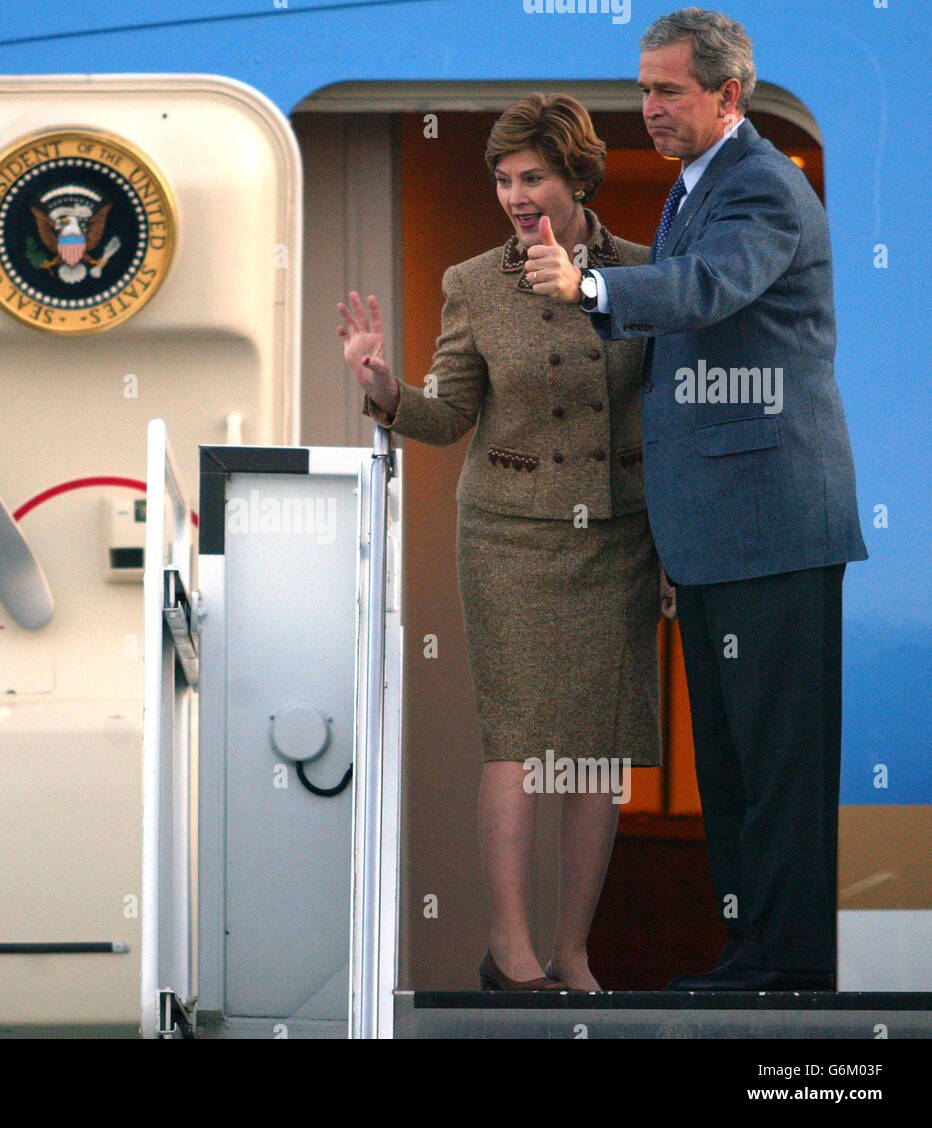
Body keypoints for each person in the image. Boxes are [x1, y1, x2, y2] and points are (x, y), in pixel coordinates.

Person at [527, 8, 867, 990]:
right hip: (719, 535)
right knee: (730, 772)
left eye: (669, 90)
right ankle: (754, 957)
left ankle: (784, 965)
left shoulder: (762, 186)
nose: (649, 108)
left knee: (776, 772)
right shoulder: (693, 187)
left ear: (728, 95)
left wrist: (588, 287)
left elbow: (703, 291)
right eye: (644, 88)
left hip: (774, 528)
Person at [338, 94, 667, 992]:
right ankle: (512, 954)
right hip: (511, 539)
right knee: (520, 741)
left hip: (620, 537)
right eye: (503, 180)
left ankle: (573, 953)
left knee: (596, 750)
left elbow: (664, 422)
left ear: (575, 178)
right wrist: (384, 384)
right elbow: (448, 416)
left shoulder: (642, 274)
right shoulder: (471, 284)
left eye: (533, 178)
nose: (516, 196)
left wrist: (673, 550)